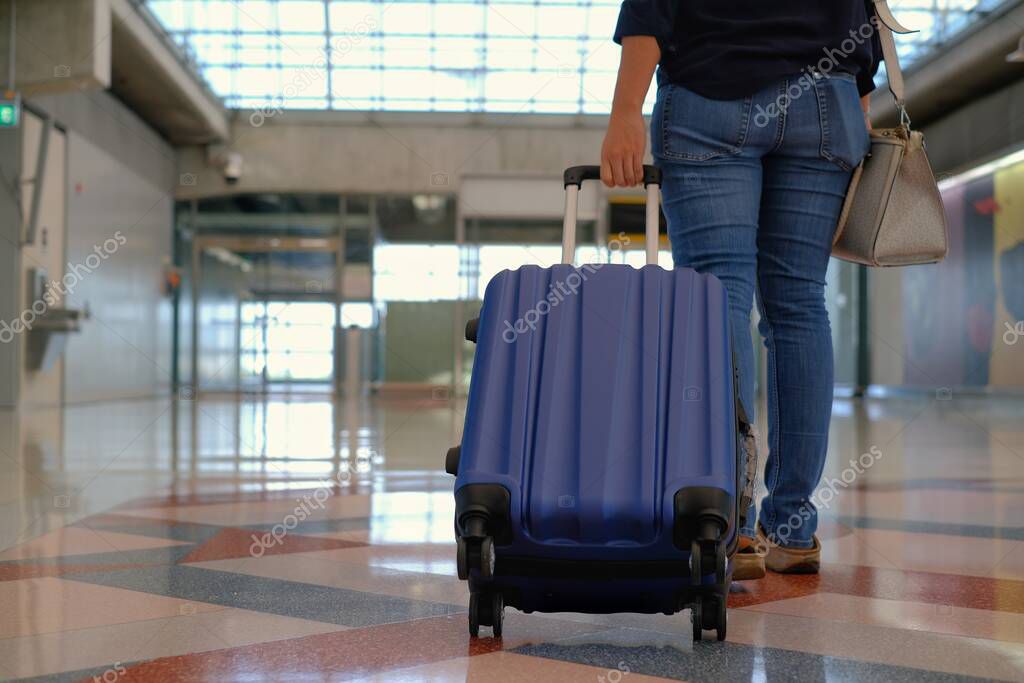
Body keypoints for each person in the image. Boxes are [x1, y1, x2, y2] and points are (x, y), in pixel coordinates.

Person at [601, 1, 883, 579]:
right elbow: (864, 26)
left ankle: (730, 523)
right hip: (825, 104)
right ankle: (793, 527)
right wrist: (855, 109)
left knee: (720, 298)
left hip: (711, 94)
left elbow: (652, 9)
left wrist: (626, 110)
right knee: (799, 304)